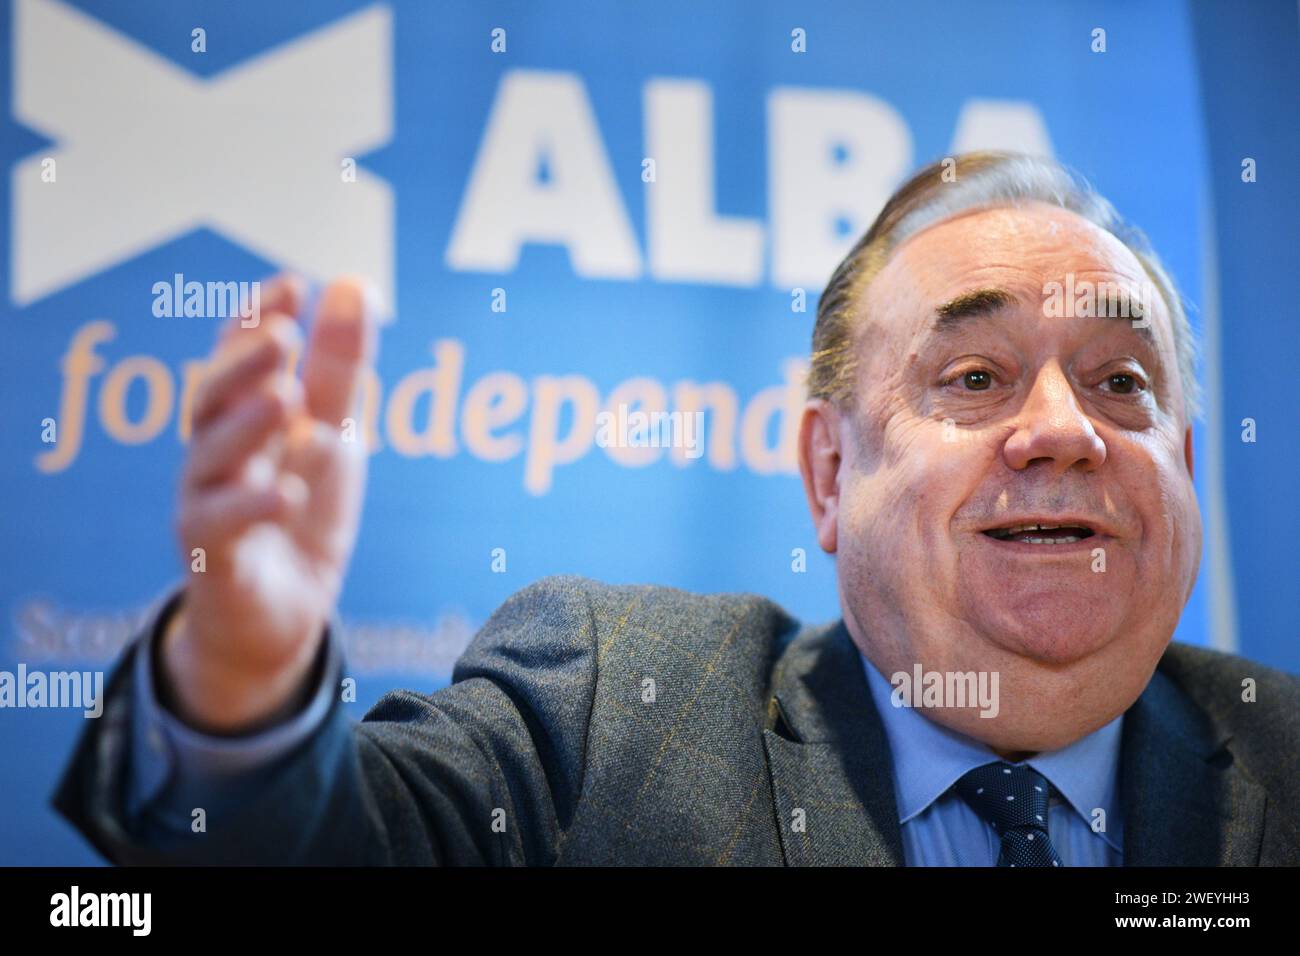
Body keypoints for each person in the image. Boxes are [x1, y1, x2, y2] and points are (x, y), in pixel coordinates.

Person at [54, 152, 1300, 865]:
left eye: (1120, 384)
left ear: (1184, 463)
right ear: (828, 471)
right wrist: (242, 692)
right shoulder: (615, 712)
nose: (1064, 429)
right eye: (971, 377)